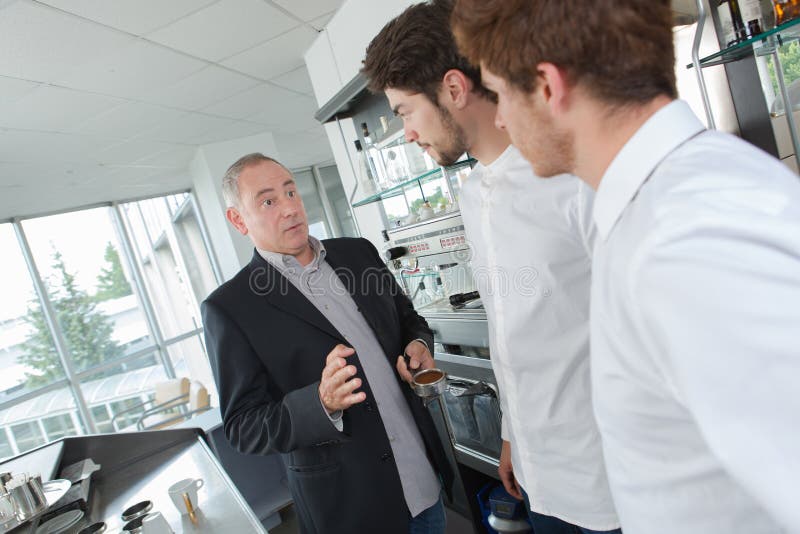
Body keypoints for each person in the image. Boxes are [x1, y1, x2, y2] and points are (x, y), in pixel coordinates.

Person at [451, 1, 800, 533]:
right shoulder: (657, 207)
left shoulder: (685, 236)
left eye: (499, 94)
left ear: (547, 87)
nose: (498, 117)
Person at [363, 2, 620, 533]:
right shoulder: (473, 191)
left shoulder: (575, 171)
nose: (406, 133)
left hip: (611, 476)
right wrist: (511, 434)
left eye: (406, 111)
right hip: (538, 474)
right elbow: (509, 331)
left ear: (454, 89)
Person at [201, 153, 453, 534]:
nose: (289, 208)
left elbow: (408, 320)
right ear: (238, 220)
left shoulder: (358, 253)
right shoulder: (230, 308)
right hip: (351, 509)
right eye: (268, 201)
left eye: (291, 191)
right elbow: (243, 426)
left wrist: (416, 344)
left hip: (422, 479)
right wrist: (320, 404)